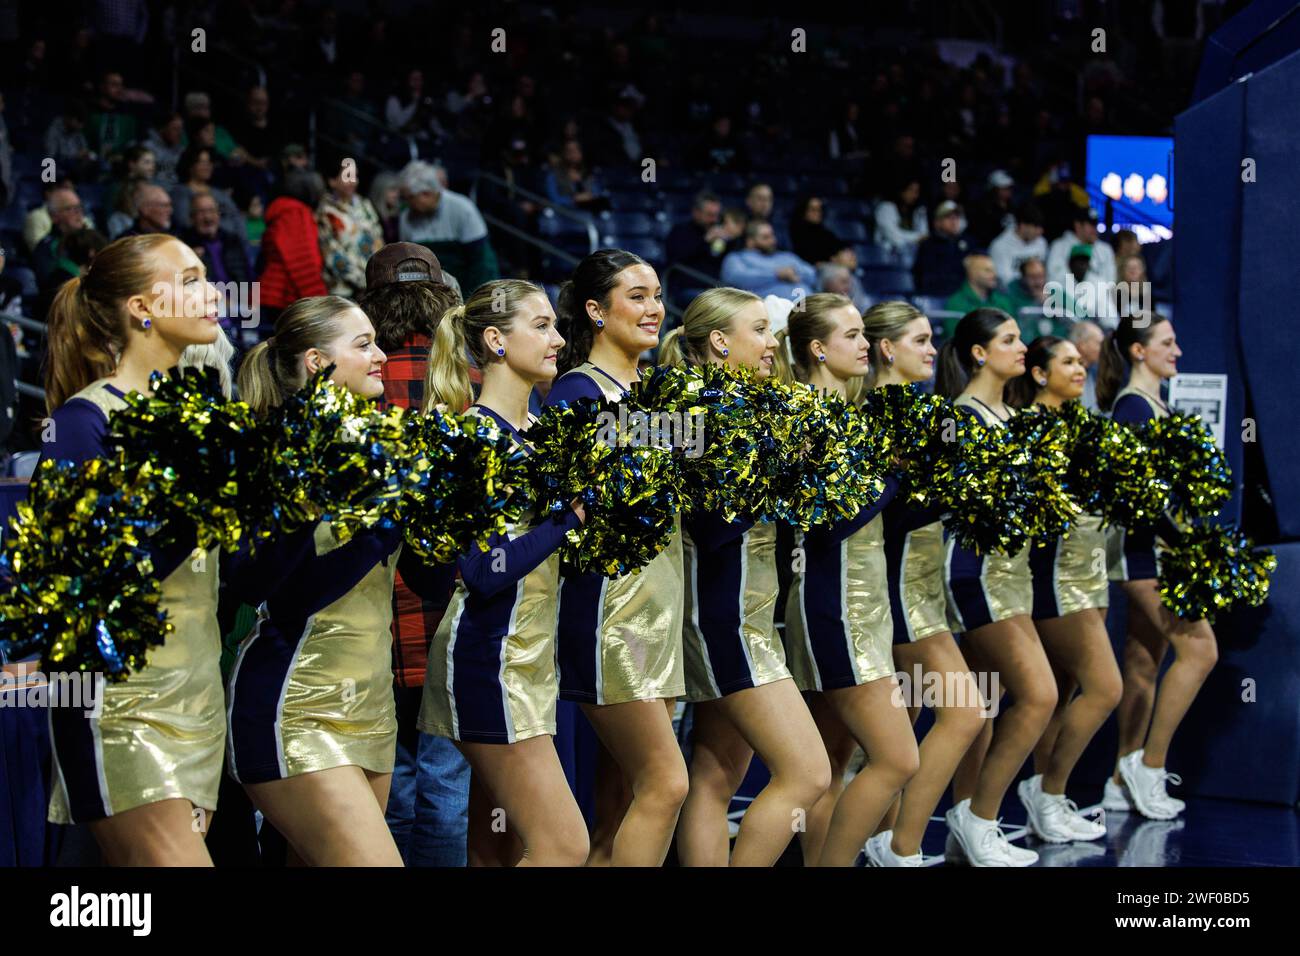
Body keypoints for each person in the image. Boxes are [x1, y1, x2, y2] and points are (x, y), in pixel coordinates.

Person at [226, 295, 449, 866]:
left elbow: (422, 578)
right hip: (296, 699)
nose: (380, 355)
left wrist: (450, 524)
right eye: (363, 344)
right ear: (318, 362)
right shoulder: (278, 448)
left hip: (370, 702)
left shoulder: (375, 446)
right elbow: (283, 592)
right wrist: (386, 522)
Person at [38, 234, 226, 864]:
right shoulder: (80, 424)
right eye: (192, 278)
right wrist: (203, 500)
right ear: (143, 307)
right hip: (118, 706)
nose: (214, 292)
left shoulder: (197, 418)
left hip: (198, 700)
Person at [417, 279, 590, 866]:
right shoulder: (474, 437)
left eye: (554, 325)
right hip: (489, 659)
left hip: (529, 659)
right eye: (540, 326)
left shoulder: (538, 436)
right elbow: (482, 571)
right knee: (566, 846)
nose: (559, 339)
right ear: (494, 340)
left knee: (497, 847)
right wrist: (571, 518)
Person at [661, 287, 831, 866]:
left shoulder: (749, 408)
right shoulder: (698, 413)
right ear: (719, 341)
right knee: (808, 772)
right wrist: (781, 465)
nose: (772, 342)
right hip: (723, 618)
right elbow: (711, 527)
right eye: (759, 330)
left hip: (749, 612)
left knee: (715, 774)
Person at [546, 250, 690, 866]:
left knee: (623, 805)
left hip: (658, 614)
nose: (654, 308)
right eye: (636, 295)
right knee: (668, 783)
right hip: (611, 618)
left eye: (657, 294)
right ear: (595, 310)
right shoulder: (577, 392)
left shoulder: (655, 394)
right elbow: (571, 520)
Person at [774, 294, 920, 866]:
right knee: (897, 758)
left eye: (864, 334)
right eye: (852, 335)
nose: (865, 345)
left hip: (864, 601)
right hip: (831, 601)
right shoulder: (804, 414)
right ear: (818, 348)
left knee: (831, 762)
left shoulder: (851, 416)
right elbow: (824, 521)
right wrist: (891, 474)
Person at [356, 244, 470, 866]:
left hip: (368, 607)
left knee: (388, 779)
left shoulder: (354, 379)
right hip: (453, 602)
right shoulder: (473, 379)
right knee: (446, 780)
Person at [861, 301, 985, 867]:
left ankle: (879, 839)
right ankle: (903, 845)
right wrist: (954, 488)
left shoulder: (922, 409)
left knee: (903, 721)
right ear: (886, 348)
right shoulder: (881, 414)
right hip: (897, 581)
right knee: (965, 710)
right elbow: (885, 514)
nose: (932, 350)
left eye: (932, 339)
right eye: (919, 340)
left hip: (924, 582)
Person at [936, 307, 1056, 867]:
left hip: (1014, 575)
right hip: (974, 574)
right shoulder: (962, 416)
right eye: (1009, 339)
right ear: (979, 353)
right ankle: (977, 816)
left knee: (986, 700)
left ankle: (964, 821)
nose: (1022, 347)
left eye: (1021, 337)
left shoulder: (1009, 413)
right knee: (1039, 695)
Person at [1098, 312, 1213, 821]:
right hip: (1146, 554)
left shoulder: (1154, 405)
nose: (1178, 351)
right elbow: (1135, 497)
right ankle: (1151, 763)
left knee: (1144, 665)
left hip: (1157, 551)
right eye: (1168, 342)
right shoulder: (1133, 409)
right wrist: (1182, 540)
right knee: (1201, 651)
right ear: (1139, 351)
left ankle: (1120, 780)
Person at [1007, 336, 1121, 843]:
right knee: (1106, 688)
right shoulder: (1031, 427)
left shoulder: (1084, 425)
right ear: (1038, 374)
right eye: (1068, 362)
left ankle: (1044, 796)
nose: (1080, 369)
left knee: (1063, 695)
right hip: (1054, 577)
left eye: (1082, 361)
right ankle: (1047, 792)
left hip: (1090, 574)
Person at [398, 161, 499, 294]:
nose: (407, 203)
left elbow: (482, 264)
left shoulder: (463, 208)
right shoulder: (406, 217)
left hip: (466, 289)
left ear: (426, 193)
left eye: (410, 197)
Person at [257, 169, 328, 333]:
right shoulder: (294, 212)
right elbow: (302, 259)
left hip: (277, 296)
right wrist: (319, 302)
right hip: (282, 297)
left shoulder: (283, 210)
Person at [317, 156, 385, 298]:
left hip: (374, 286)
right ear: (332, 181)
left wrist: (379, 277)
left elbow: (378, 239)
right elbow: (331, 253)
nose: (353, 181)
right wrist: (362, 283)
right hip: (343, 290)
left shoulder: (365, 204)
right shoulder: (325, 211)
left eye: (355, 176)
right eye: (347, 176)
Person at [720, 221, 817, 299]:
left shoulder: (786, 256)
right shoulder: (737, 258)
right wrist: (777, 275)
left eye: (772, 236)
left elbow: (812, 275)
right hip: (768, 313)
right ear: (750, 241)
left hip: (808, 308)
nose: (773, 241)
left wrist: (795, 272)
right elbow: (737, 278)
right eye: (766, 237)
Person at [943, 254, 1017, 335]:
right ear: (972, 273)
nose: (994, 274)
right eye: (987, 270)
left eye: (994, 270)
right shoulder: (956, 302)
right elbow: (954, 337)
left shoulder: (1003, 301)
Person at [911, 200, 972, 297]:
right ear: (937, 222)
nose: (954, 221)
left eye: (956, 217)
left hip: (961, 296)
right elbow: (924, 278)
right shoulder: (928, 245)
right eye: (948, 217)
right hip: (937, 295)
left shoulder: (966, 243)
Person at [31, 186, 87, 286]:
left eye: (79, 207)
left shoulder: (92, 238)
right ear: (54, 216)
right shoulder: (46, 248)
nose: (78, 213)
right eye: (70, 208)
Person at [665, 191, 730, 278]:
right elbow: (677, 258)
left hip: (715, 284)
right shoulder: (680, 231)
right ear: (696, 212)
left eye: (717, 215)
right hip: (688, 284)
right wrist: (705, 240)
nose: (715, 220)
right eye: (710, 215)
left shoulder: (718, 231)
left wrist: (731, 239)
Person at [1046, 206, 1115, 287]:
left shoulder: (1105, 249)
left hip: (1098, 297)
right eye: (1090, 225)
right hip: (1066, 297)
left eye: (1095, 224)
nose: (1094, 229)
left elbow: (1110, 281)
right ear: (1078, 225)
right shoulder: (1059, 246)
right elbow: (1055, 278)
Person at [989, 202, 1048, 288]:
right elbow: (1004, 279)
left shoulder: (1041, 242)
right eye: (1035, 227)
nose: (1040, 231)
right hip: (1012, 293)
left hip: (1037, 290)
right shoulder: (1000, 246)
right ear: (1022, 226)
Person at [873, 178, 927, 256]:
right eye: (911, 190)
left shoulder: (919, 211)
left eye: (917, 192)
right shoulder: (885, 208)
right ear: (902, 190)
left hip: (912, 254)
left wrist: (919, 238)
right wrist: (917, 238)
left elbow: (924, 236)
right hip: (886, 254)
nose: (914, 195)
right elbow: (895, 238)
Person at [789, 195, 847, 266]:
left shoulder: (825, 232)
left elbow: (840, 248)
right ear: (804, 211)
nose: (817, 213)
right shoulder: (797, 232)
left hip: (832, 266)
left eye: (819, 210)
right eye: (813, 209)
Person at [967, 169, 1017, 248]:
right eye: (1004, 188)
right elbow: (983, 235)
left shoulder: (1012, 206)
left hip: (1012, 245)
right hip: (991, 246)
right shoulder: (983, 208)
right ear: (994, 189)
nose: (1008, 191)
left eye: (1009, 188)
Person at [1069, 319, 1104, 411]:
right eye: (1098, 343)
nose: (1102, 349)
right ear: (1082, 345)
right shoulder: (1065, 375)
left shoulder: (1094, 372)